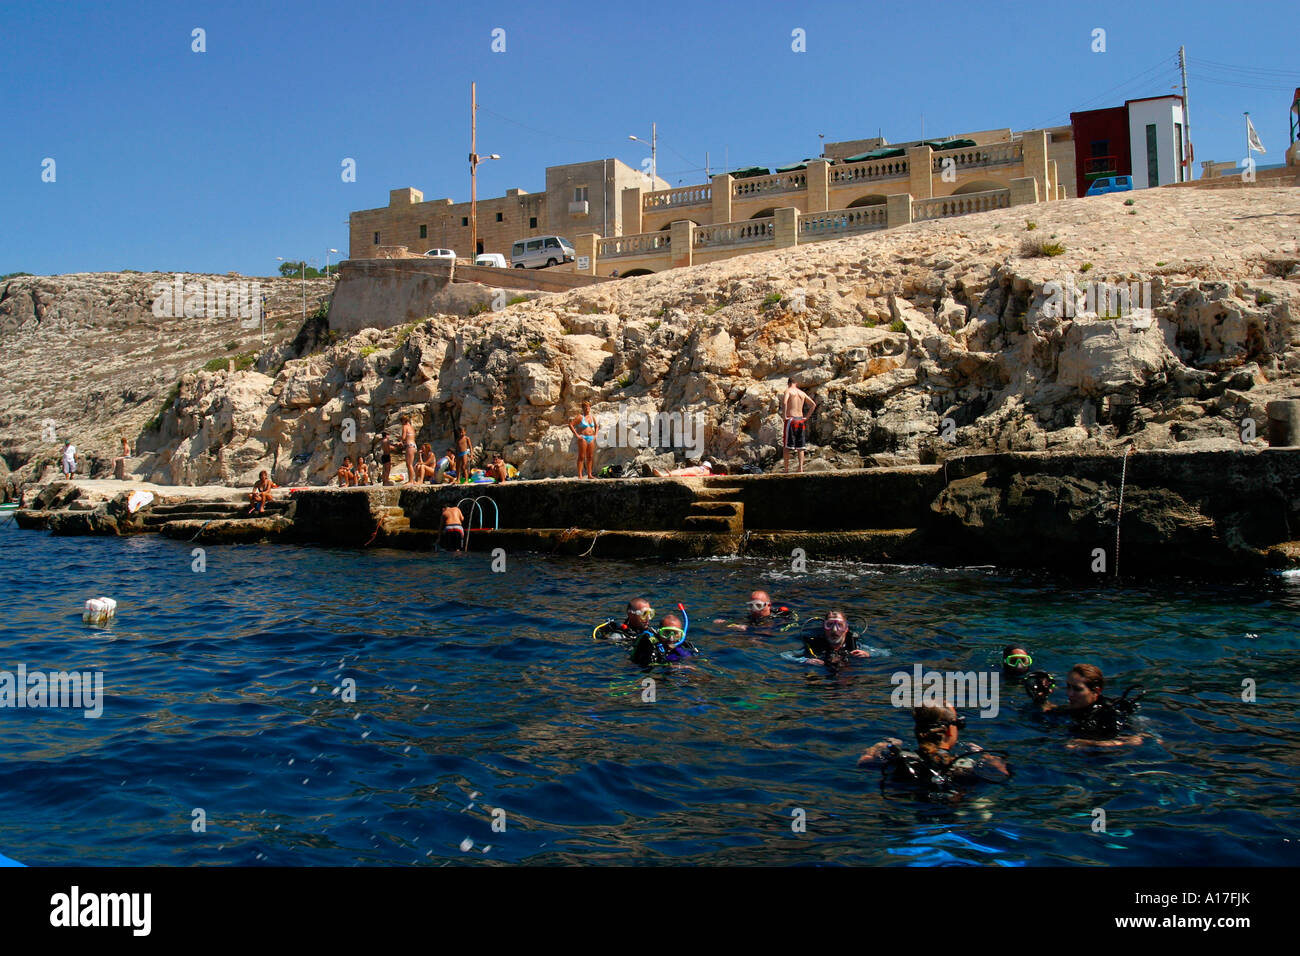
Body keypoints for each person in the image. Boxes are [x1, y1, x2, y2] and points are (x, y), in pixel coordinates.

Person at [858, 704, 1010, 797]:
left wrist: (876, 749)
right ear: (950, 731)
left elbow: (863, 764)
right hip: (955, 824)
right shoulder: (966, 764)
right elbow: (1003, 776)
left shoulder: (901, 759)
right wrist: (987, 757)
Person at [1027, 663, 1145, 748]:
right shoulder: (1077, 708)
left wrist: (1087, 743)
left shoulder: (1108, 716)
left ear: (1096, 691)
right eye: (1068, 687)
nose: (1069, 694)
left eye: (1077, 689)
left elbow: (1135, 740)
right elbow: (1053, 710)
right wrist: (1041, 699)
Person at [796, 610, 870, 667]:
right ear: (824, 628)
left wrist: (868, 654)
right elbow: (785, 656)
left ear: (846, 628)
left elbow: (881, 653)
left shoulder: (856, 645)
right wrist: (805, 660)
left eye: (840, 625)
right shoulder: (814, 645)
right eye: (829, 624)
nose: (834, 629)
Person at [630, 610, 700, 668]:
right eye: (666, 633)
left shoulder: (684, 646)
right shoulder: (648, 644)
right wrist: (679, 667)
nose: (671, 638)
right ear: (658, 632)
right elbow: (646, 665)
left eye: (676, 634)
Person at [714, 590, 799, 631]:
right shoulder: (752, 617)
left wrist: (748, 628)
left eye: (758, 605)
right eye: (751, 605)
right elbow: (742, 620)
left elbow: (768, 630)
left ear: (768, 605)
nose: (754, 609)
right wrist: (727, 621)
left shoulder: (779, 618)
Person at [781, 378, 817, 474]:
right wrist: (806, 417)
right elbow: (813, 405)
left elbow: (785, 402)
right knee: (800, 446)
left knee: (786, 446)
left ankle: (786, 469)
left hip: (791, 419)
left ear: (788, 383)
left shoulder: (788, 391)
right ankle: (800, 468)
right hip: (800, 420)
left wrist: (784, 416)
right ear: (796, 383)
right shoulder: (802, 393)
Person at [569, 400, 598, 479]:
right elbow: (571, 425)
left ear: (590, 407)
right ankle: (580, 475)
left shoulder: (592, 417)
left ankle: (589, 474)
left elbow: (596, 426)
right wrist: (577, 435)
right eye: (585, 407)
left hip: (591, 438)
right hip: (583, 438)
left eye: (588, 406)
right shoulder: (580, 417)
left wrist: (596, 434)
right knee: (581, 456)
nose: (587, 408)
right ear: (582, 408)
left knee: (590, 456)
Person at [400, 414, 418, 483]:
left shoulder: (405, 427)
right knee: (411, 464)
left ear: (403, 421)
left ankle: (411, 481)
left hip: (409, 446)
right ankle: (412, 480)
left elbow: (404, 437)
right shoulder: (411, 427)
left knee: (409, 464)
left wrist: (400, 439)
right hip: (413, 445)